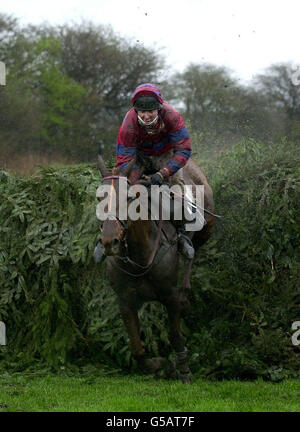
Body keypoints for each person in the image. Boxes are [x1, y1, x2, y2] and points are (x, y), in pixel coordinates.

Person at [94, 83, 195, 264]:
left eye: (151, 112)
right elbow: (125, 159)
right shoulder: (129, 122)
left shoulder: (172, 116)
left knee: (178, 193)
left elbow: (184, 150)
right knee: (118, 192)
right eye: (142, 112)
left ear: (159, 109)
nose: (146, 116)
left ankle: (182, 236)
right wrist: (134, 182)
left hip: (166, 155)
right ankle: (103, 238)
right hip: (138, 158)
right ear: (136, 111)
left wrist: (163, 174)